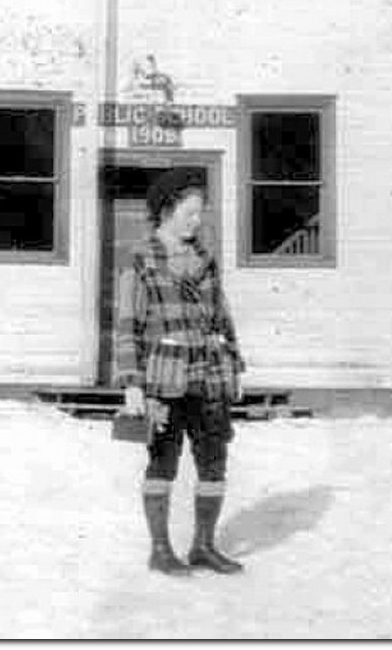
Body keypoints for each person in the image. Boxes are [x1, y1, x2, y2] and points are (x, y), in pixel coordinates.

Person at [116, 168, 246, 575]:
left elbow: (223, 319)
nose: (197, 221)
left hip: (209, 378)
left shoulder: (205, 261)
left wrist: (235, 366)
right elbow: (126, 328)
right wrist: (132, 385)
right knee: (163, 463)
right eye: (190, 213)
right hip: (164, 382)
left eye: (200, 213)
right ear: (167, 210)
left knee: (213, 463)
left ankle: (203, 546)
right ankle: (160, 550)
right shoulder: (141, 263)